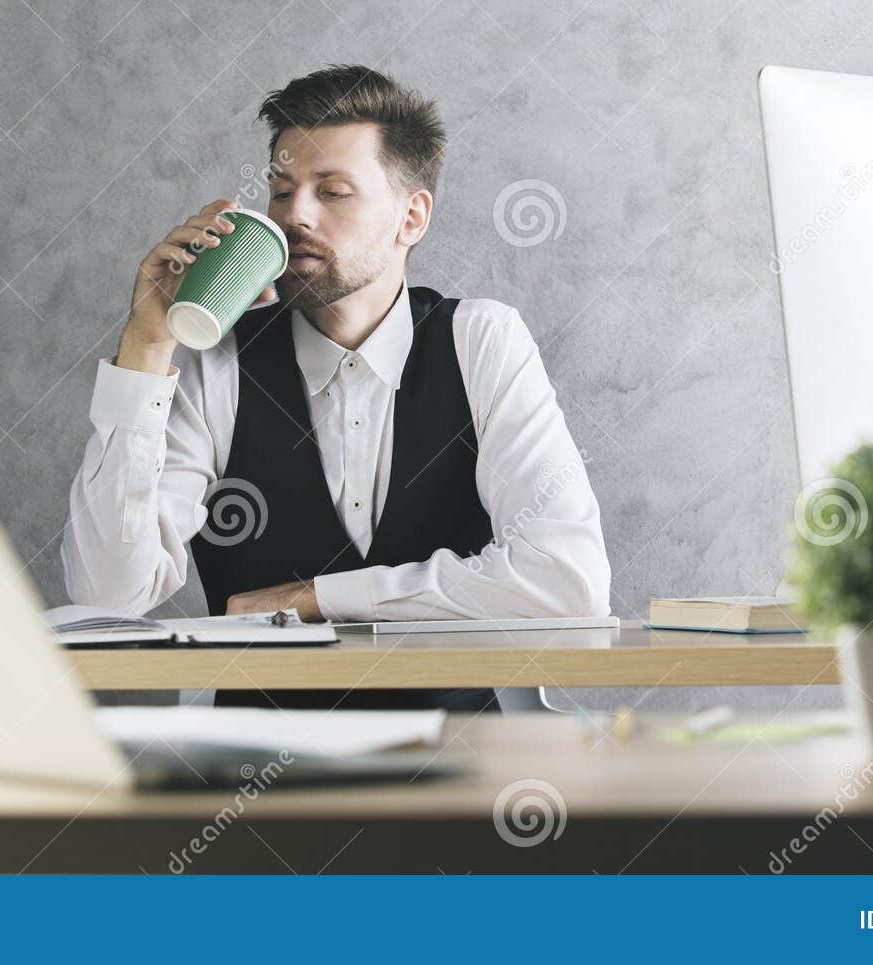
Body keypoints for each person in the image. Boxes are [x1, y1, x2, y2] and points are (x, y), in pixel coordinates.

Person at [60, 64, 610, 710]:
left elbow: (570, 585)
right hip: (251, 764)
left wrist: (316, 598)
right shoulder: (218, 363)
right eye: (281, 190)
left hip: (461, 760)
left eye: (333, 192)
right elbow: (106, 598)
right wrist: (147, 348)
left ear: (411, 217)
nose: (295, 215)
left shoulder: (481, 342)